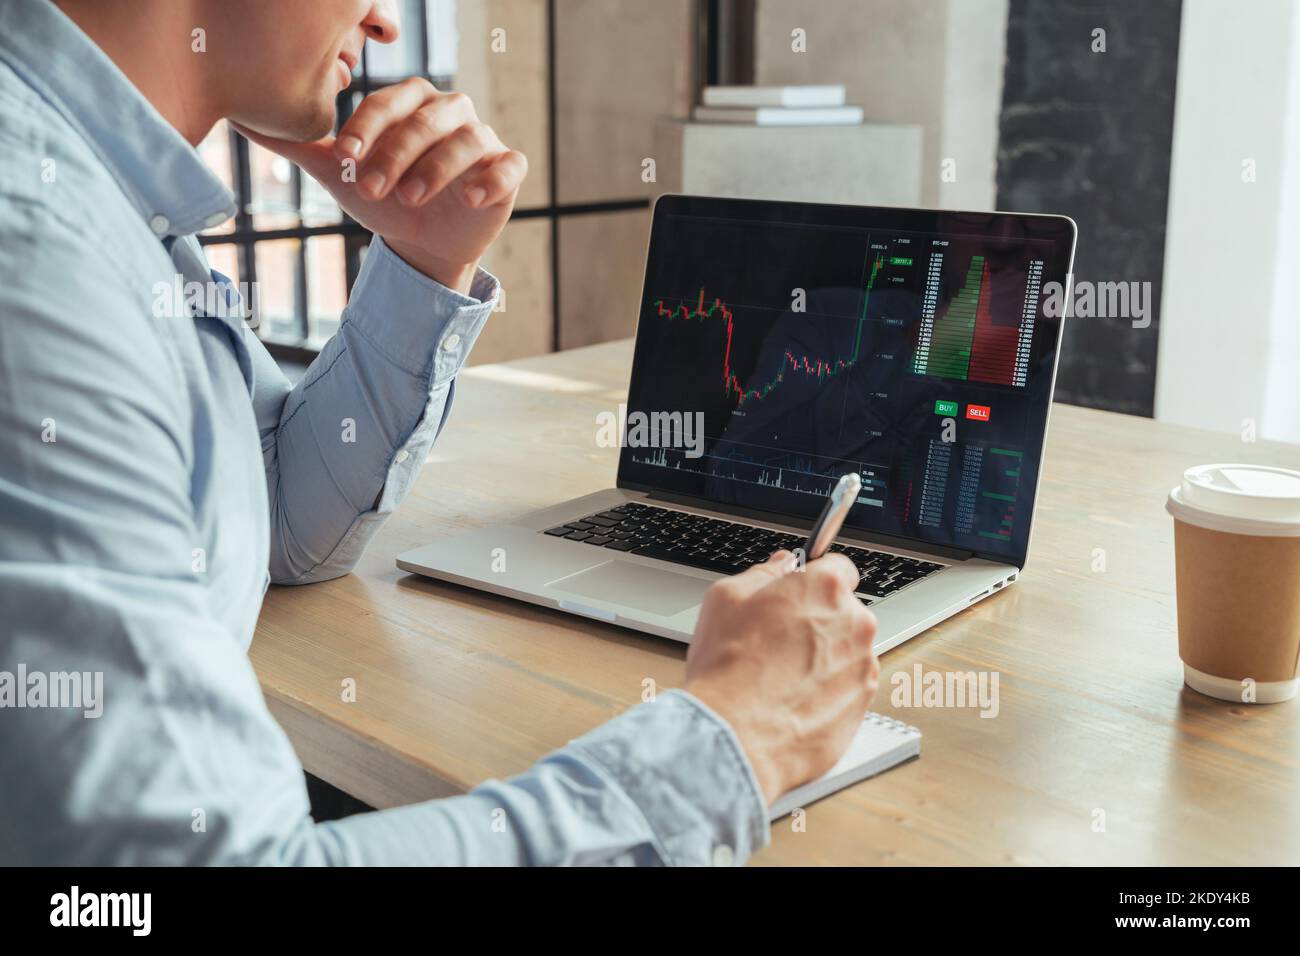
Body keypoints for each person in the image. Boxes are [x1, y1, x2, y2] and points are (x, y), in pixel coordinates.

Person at [0, 0, 879, 865]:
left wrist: (426, 260)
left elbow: (273, 517)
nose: (384, 21)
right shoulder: (40, 261)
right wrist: (731, 742)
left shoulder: (103, 202)